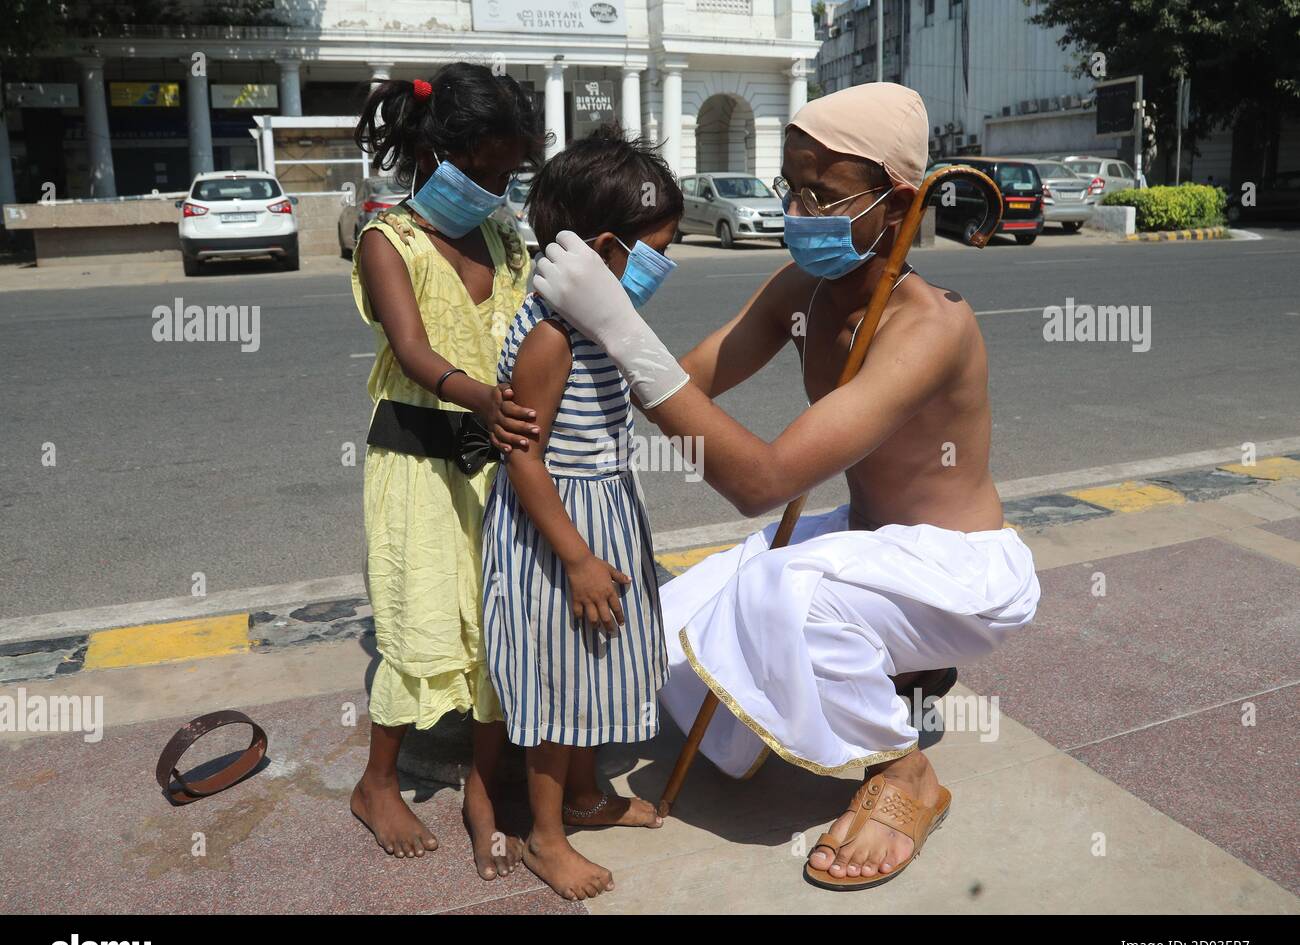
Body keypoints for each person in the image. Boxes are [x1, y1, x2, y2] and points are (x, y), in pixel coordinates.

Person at [521, 83, 1041, 890]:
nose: (799, 210)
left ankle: (905, 774)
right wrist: (550, 381)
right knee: (677, 620)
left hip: (957, 571)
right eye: (790, 188)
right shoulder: (804, 289)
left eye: (823, 195)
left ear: (898, 204)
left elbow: (760, 481)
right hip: (864, 545)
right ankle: (806, 707)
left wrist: (623, 332)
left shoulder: (931, 326)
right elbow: (688, 378)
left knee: (781, 592)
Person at [348, 63, 544, 880]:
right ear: (434, 153)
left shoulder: (503, 237)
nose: (495, 188)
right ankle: (377, 781)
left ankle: (481, 789)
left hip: (493, 464)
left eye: (508, 176)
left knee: (497, 626)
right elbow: (414, 349)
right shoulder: (385, 240)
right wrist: (484, 400)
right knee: (420, 620)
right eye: (484, 172)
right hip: (420, 465)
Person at [481, 127, 680, 901]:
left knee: (593, 667)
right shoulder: (552, 339)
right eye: (659, 249)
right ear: (604, 247)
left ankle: (589, 795)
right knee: (557, 683)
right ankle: (545, 834)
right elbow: (523, 458)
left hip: (601, 511)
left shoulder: (598, 324)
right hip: (554, 529)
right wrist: (576, 558)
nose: (669, 263)